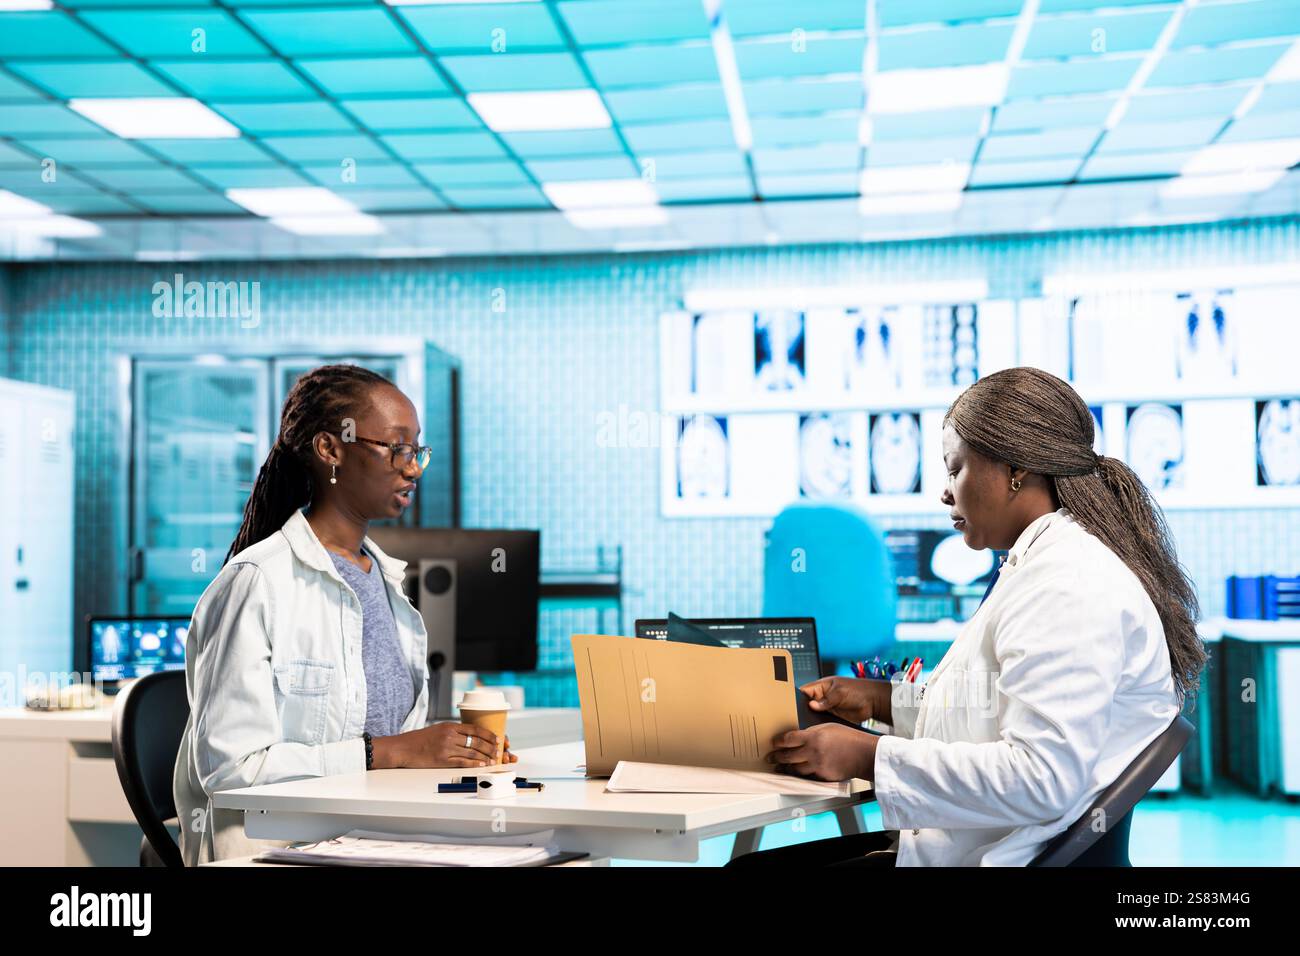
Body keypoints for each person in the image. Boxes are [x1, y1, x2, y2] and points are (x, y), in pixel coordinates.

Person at [731, 366, 1206, 867]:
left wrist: (867, 756)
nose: (945, 491)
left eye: (955, 469)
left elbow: (1040, 778)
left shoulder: (1068, 585)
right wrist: (881, 701)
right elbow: (994, 709)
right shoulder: (1044, 567)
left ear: (1014, 470)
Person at [173, 364, 516, 866]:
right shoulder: (258, 582)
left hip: (374, 840)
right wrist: (392, 752)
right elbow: (231, 769)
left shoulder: (387, 583)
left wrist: (459, 749)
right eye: (396, 448)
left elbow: (387, 742)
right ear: (331, 449)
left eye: (416, 450)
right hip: (279, 851)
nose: (412, 467)